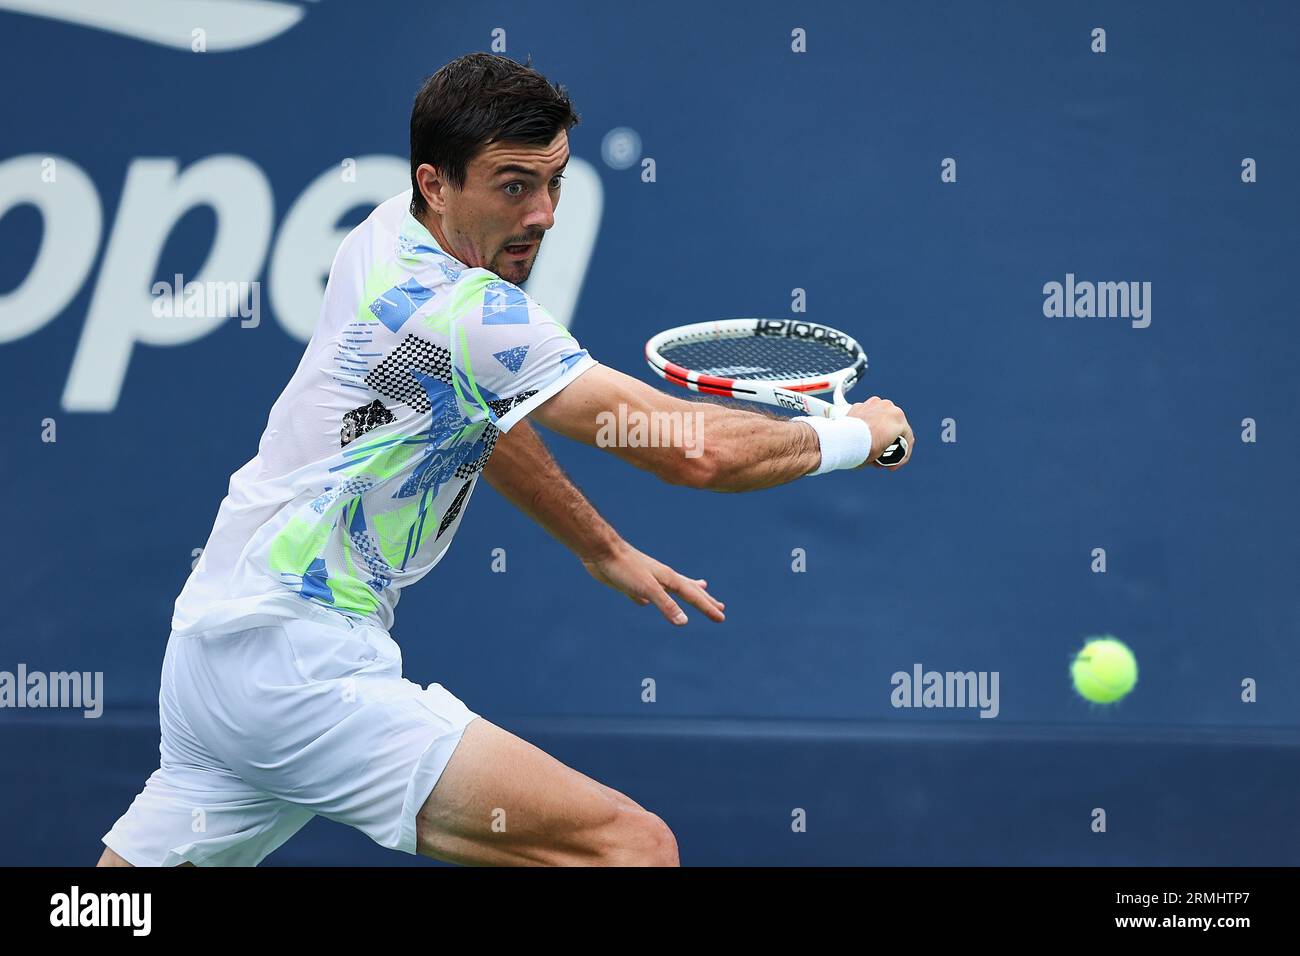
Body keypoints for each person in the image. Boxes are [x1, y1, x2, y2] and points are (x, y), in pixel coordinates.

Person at [98, 52, 913, 867]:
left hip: (211, 648)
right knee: (631, 848)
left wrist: (600, 546)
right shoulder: (476, 314)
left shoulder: (383, 234)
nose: (544, 213)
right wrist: (857, 437)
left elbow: (479, 410)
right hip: (299, 669)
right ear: (436, 184)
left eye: (554, 182)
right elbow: (691, 452)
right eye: (514, 186)